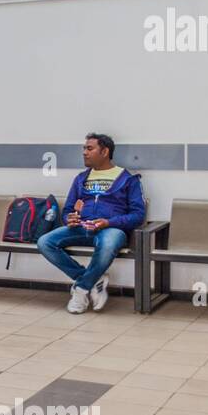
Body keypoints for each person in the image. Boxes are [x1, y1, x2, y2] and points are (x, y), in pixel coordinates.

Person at [37, 133, 146, 315]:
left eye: (90, 148)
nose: (84, 152)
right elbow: (68, 209)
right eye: (84, 148)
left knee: (108, 244)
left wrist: (108, 222)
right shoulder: (81, 179)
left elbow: (138, 215)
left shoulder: (128, 179)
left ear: (105, 151)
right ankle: (93, 279)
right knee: (45, 242)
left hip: (111, 230)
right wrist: (69, 218)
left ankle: (80, 291)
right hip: (82, 227)